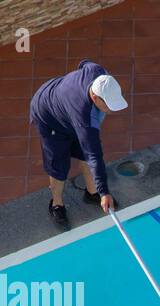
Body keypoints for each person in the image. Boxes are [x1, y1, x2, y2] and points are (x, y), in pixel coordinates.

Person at [28, 60, 127, 229]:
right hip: (49, 117)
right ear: (95, 97)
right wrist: (105, 192)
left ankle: (92, 192)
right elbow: (94, 156)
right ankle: (57, 204)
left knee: (84, 152)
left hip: (66, 106)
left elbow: (84, 63)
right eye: (108, 105)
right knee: (59, 166)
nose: (111, 110)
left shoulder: (98, 71)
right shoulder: (84, 117)